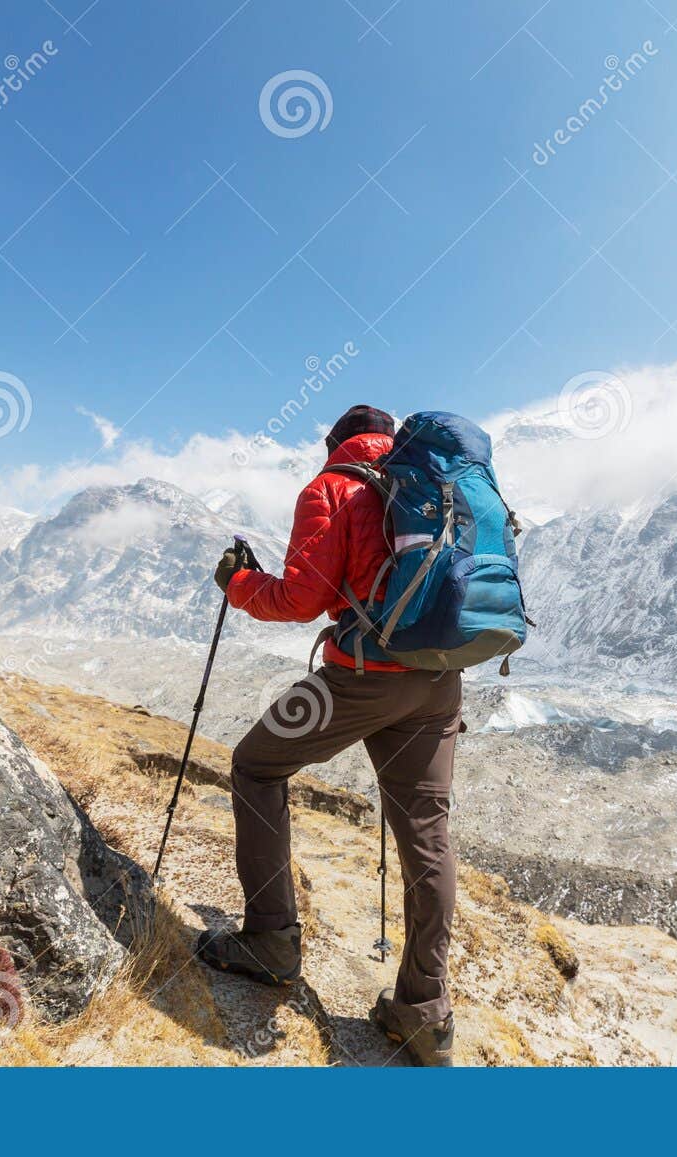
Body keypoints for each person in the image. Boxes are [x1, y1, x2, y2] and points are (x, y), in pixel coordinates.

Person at [196, 403, 460, 1067]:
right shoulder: (437, 487)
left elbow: (299, 599)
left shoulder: (331, 488)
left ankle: (270, 942)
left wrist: (237, 582)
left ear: (335, 443)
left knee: (256, 764)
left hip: (362, 678)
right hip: (441, 678)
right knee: (426, 832)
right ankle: (423, 1012)